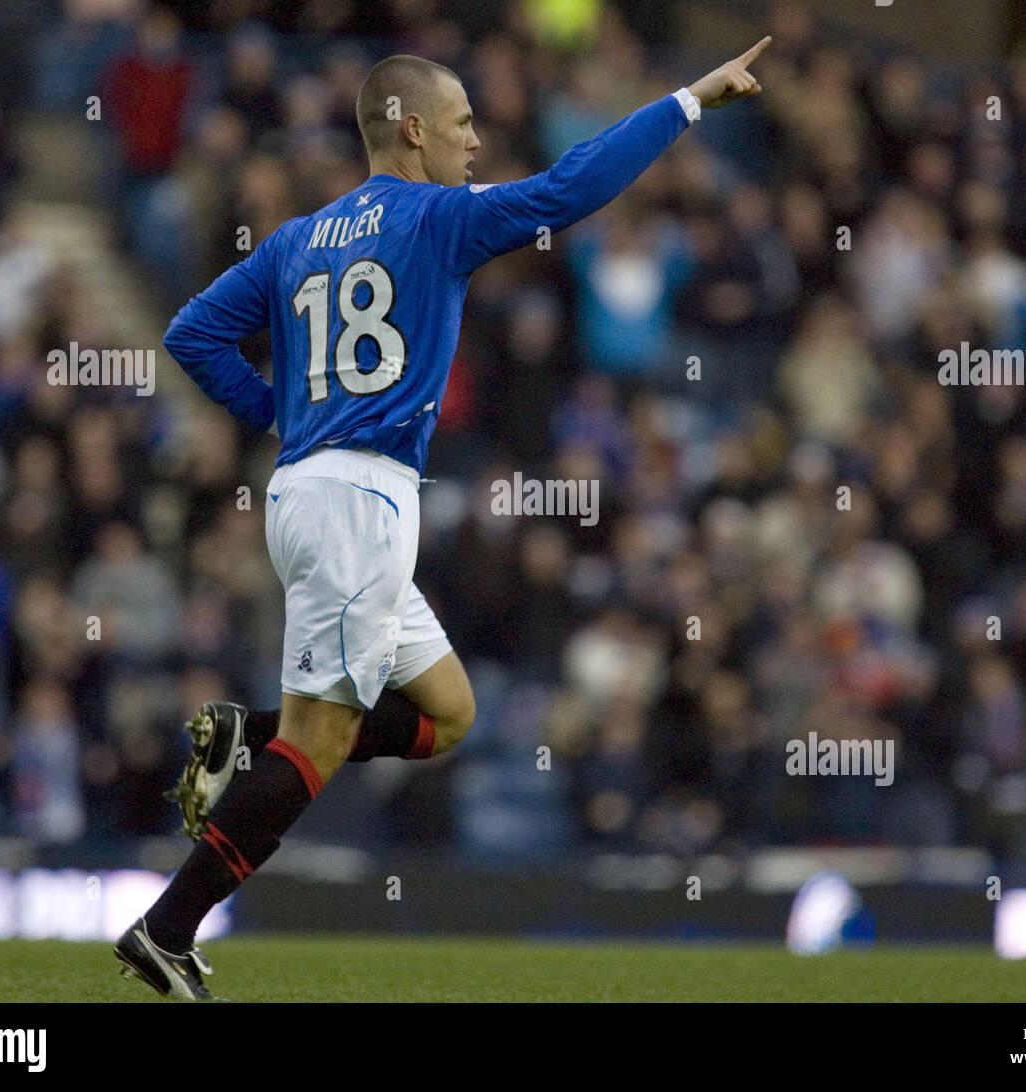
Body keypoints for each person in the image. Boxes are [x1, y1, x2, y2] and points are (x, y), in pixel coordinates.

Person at [114, 38, 773, 999]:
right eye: (463, 125)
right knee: (324, 741)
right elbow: (565, 189)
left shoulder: (300, 237)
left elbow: (190, 333)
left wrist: (278, 414)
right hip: (359, 502)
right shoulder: (437, 221)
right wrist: (685, 103)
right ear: (413, 130)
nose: (477, 142)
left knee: (450, 713)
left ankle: (245, 737)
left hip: (311, 493)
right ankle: (167, 929)